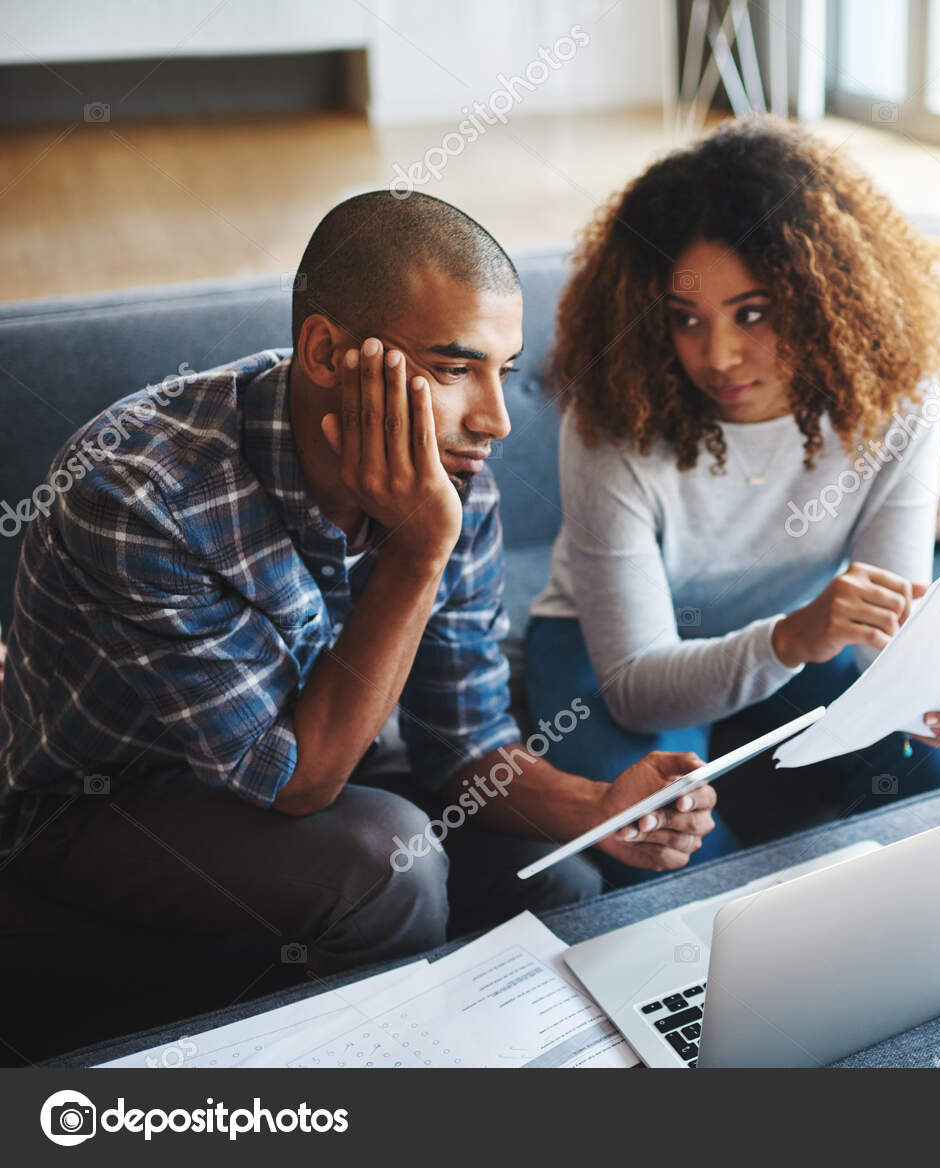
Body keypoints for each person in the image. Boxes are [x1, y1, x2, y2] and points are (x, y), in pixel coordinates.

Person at [0, 192, 717, 976]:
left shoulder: (451, 465)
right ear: (323, 353)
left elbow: (465, 739)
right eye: (453, 368)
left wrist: (599, 808)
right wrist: (418, 551)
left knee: (560, 877)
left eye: (502, 373)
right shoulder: (142, 497)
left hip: (324, 744)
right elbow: (294, 784)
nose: (495, 419)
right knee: (389, 866)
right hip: (107, 802)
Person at [524, 118, 940, 881]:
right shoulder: (614, 415)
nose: (717, 357)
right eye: (686, 320)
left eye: (752, 313)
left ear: (823, 298)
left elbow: (892, 631)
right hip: (617, 653)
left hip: (799, 639)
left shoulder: (899, 401)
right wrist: (787, 641)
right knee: (669, 837)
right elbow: (638, 686)